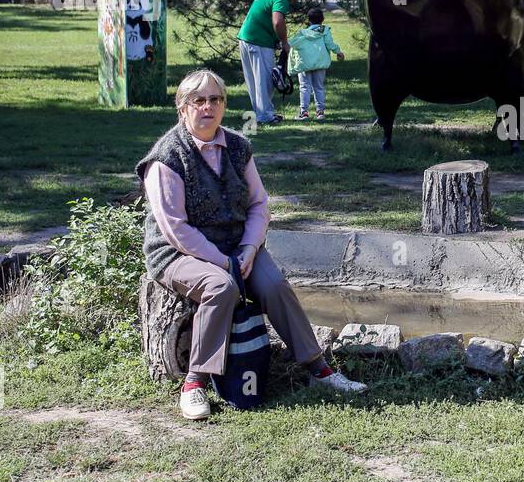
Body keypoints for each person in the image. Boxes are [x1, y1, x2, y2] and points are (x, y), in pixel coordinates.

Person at [136, 68, 366, 420]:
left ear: (224, 106)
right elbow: (175, 228)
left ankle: (319, 368)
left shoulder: (238, 146)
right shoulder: (166, 158)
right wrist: (222, 262)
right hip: (178, 253)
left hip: (237, 247)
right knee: (220, 288)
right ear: (182, 108)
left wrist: (248, 249)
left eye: (216, 99)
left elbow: (259, 204)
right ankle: (195, 382)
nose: (208, 107)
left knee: (273, 284)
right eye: (198, 100)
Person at [238, 0, 304, 125]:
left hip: (245, 38)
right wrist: (284, 42)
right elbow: (278, 21)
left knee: (253, 81)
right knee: (265, 80)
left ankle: (260, 114)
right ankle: (266, 116)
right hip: (258, 41)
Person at [287, 7, 345, 120]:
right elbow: (329, 44)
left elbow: (292, 43)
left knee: (304, 87)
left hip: (305, 64)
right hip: (320, 63)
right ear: (322, 19)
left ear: (308, 20)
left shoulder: (303, 33)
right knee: (319, 87)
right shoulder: (325, 31)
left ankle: (304, 112)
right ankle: (320, 112)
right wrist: (338, 52)